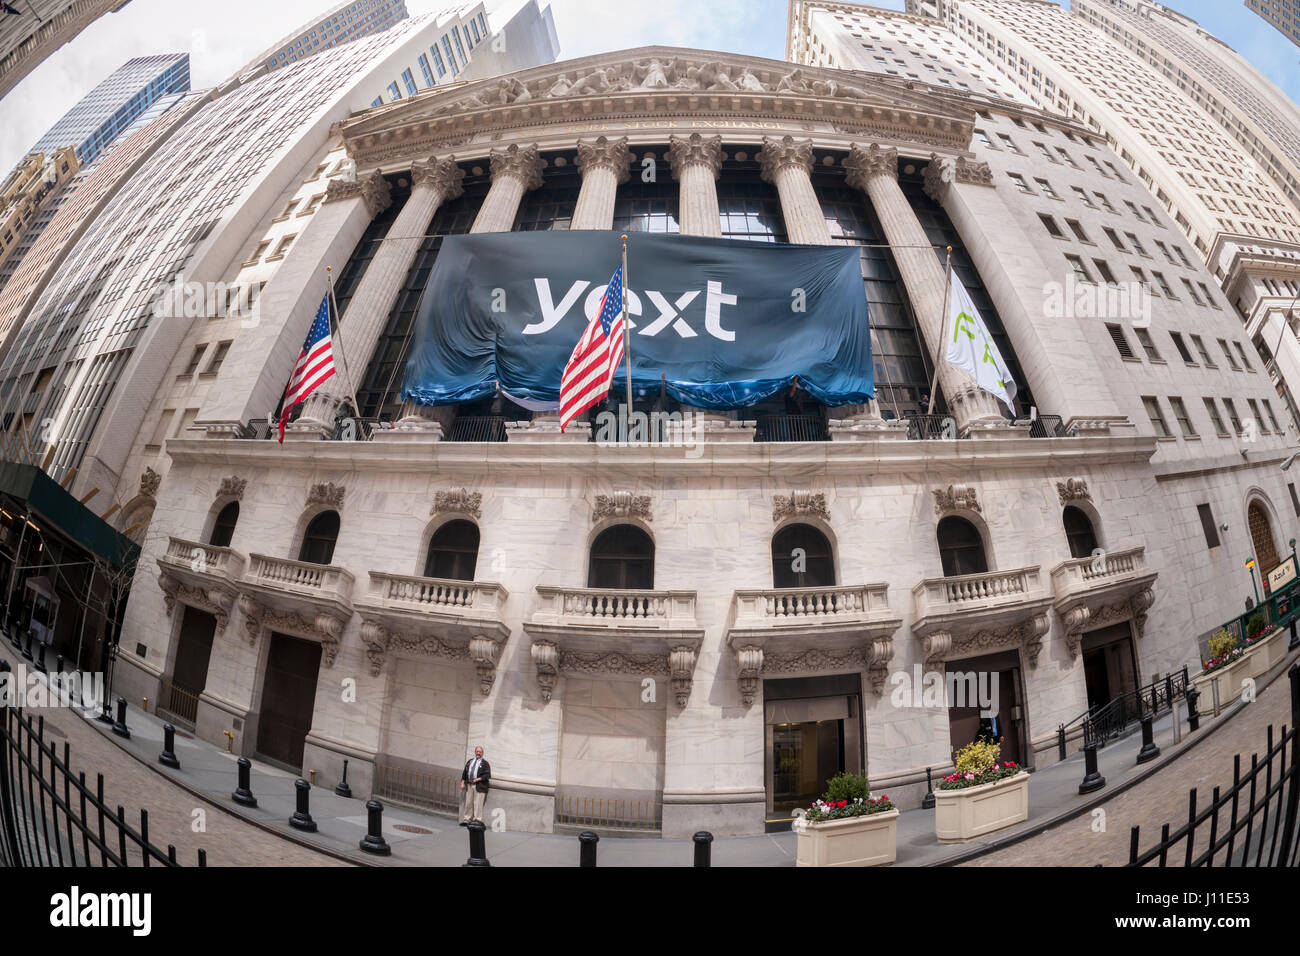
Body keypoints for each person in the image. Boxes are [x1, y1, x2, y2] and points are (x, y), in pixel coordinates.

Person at [460, 746, 491, 825]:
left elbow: (487, 775)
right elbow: (464, 773)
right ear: (475, 752)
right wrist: (463, 783)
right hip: (469, 785)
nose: (478, 753)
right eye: (477, 751)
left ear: (482, 753)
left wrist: (477, 779)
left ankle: (477, 820)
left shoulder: (485, 763)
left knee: (477, 804)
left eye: (480, 752)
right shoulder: (470, 761)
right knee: (468, 803)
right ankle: (467, 820)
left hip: (479, 786)